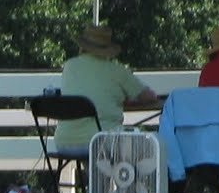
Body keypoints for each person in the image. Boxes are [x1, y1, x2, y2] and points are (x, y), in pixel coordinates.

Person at [52, 23, 161, 154]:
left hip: (64, 143)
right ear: (107, 50)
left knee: (96, 160)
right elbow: (149, 97)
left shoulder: (69, 66)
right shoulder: (117, 71)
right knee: (143, 150)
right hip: (101, 142)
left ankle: (90, 175)